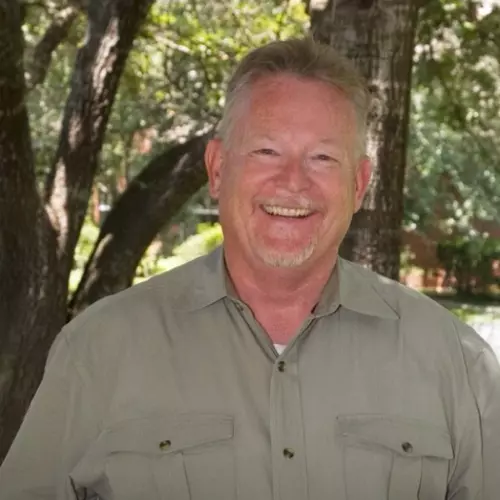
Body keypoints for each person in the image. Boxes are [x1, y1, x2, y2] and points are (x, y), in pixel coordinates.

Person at [1, 37, 499, 500]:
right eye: (266, 151)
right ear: (218, 169)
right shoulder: (98, 351)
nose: (292, 183)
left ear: (360, 184)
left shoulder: (455, 363)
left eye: (323, 158)